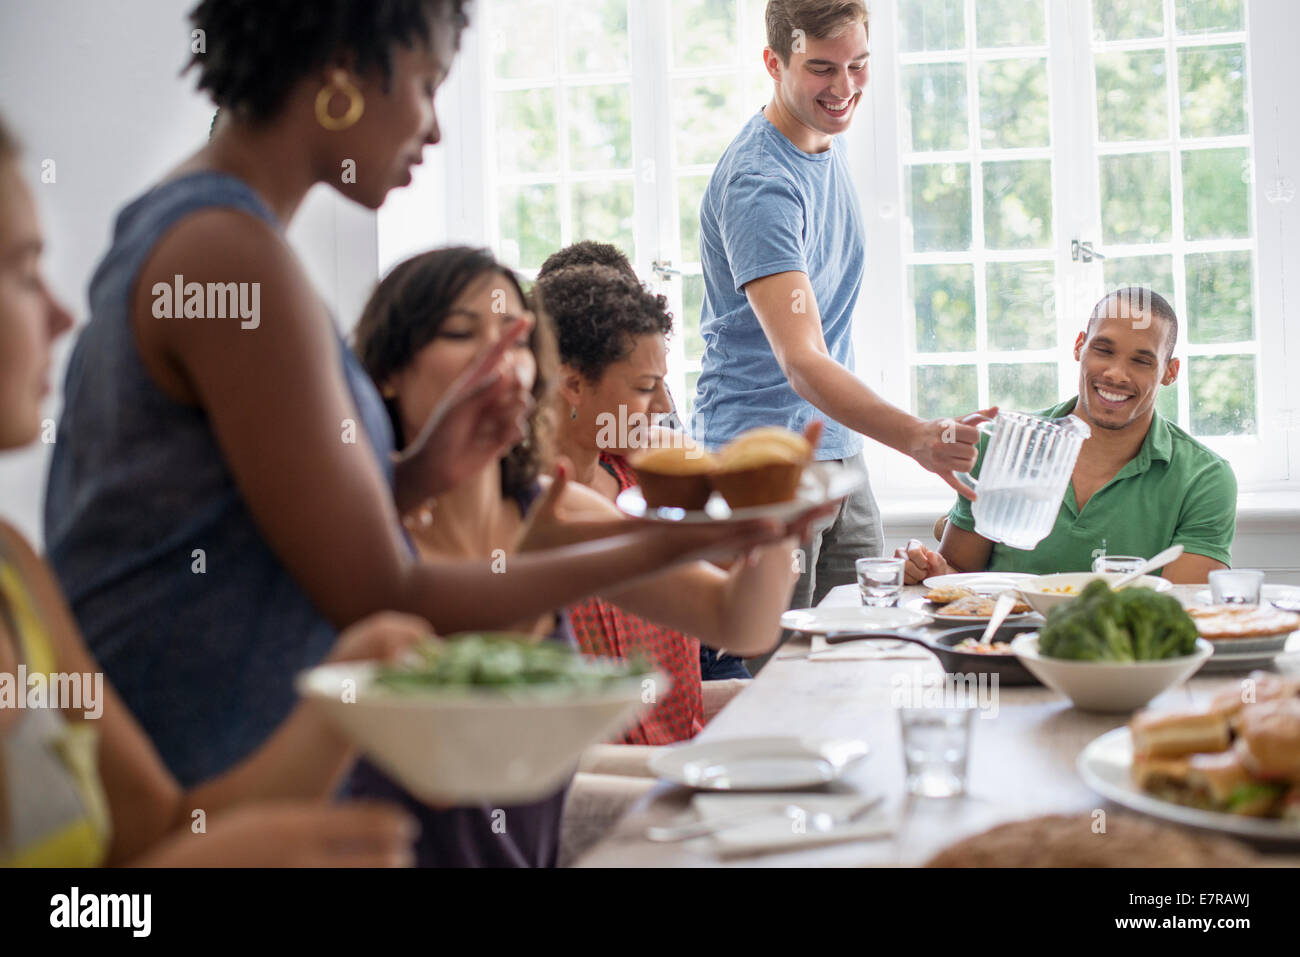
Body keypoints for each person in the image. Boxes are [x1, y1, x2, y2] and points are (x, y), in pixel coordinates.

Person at [42, 0, 776, 793]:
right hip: (203, 772)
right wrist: (673, 540)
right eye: (427, 84)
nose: (432, 129)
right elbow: (380, 589)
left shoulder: (201, 227)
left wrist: (419, 471)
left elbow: (268, 522)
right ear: (342, 74)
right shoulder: (229, 255)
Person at [0, 112, 428, 868]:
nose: (64, 316)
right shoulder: (214, 247)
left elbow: (160, 828)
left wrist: (339, 701)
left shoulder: (15, 572)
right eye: (23, 270)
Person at [348, 247, 822, 863]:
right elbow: (448, 742)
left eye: (517, 337)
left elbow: (741, 623)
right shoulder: (356, 527)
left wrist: (775, 521)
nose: (500, 357)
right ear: (387, 373)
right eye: (464, 333)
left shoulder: (553, 504)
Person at [693, 0, 992, 617]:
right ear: (774, 63)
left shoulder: (823, 140)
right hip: (763, 462)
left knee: (863, 641)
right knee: (771, 667)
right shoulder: (761, 184)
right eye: (822, 68)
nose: (844, 87)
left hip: (835, 451)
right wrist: (916, 437)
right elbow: (800, 360)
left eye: (858, 65)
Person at [896, 288, 1237, 584]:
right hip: (1001, 650)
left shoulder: (1204, 479)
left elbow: (1182, 609)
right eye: (1104, 350)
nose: (1116, 374)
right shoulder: (1004, 445)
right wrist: (932, 571)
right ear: (1079, 347)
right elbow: (959, 577)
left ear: (1170, 372)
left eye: (1142, 361)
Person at [538, 241, 745, 681]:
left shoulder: (645, 460)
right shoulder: (539, 494)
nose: (661, 405)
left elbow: (732, 597)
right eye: (642, 384)